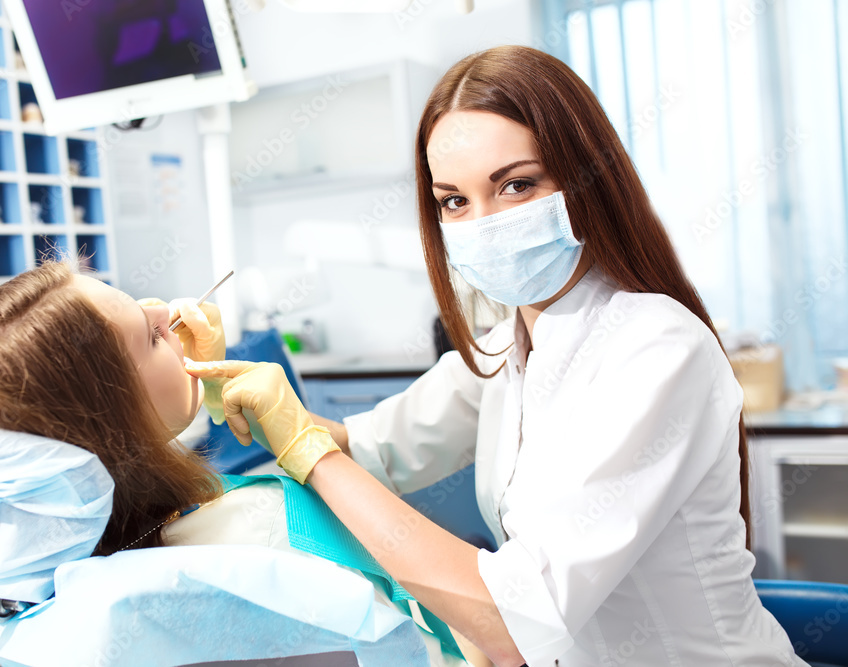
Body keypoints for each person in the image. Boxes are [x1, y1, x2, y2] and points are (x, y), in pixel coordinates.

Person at [185, 45, 808, 667]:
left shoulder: (654, 350)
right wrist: (226, 392)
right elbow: (371, 449)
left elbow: (516, 622)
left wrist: (306, 450)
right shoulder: (505, 345)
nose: (481, 224)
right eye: (454, 200)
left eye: (516, 185)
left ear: (586, 179)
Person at [0, 261, 473, 666]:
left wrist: (188, 396)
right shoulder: (256, 538)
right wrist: (308, 452)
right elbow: (464, 606)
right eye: (150, 333)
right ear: (111, 422)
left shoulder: (82, 557)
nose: (168, 313)